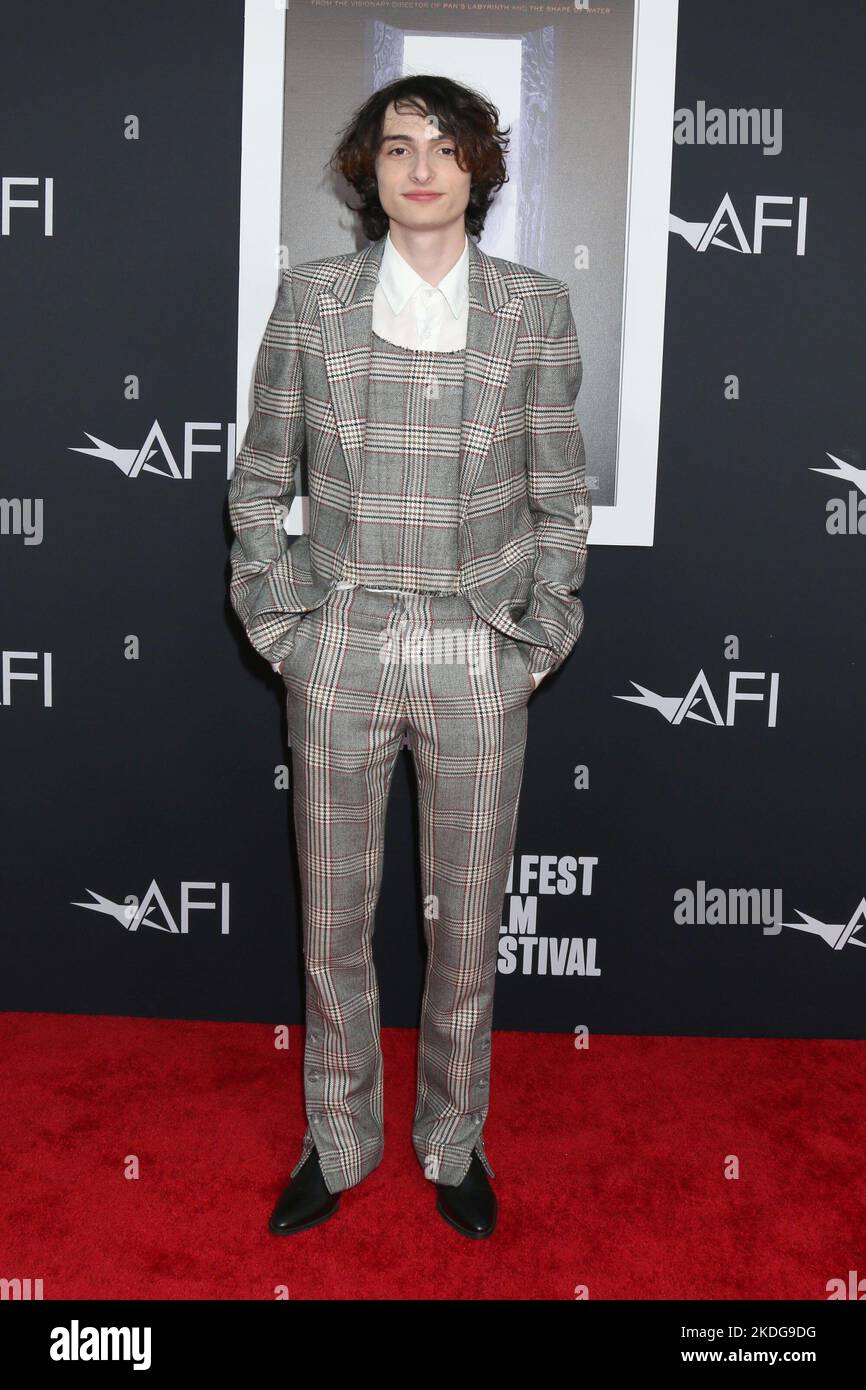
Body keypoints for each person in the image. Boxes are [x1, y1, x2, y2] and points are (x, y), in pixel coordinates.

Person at [228, 74, 591, 1238]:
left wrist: (533, 638)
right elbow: (257, 478)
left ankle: (452, 1141)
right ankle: (337, 1141)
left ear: (479, 170)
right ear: (367, 170)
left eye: (444, 147)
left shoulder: (532, 309)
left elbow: (556, 492)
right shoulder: (313, 301)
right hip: (339, 639)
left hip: (476, 646)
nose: (420, 167)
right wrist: (280, 622)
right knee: (331, 919)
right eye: (397, 148)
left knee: (465, 924)